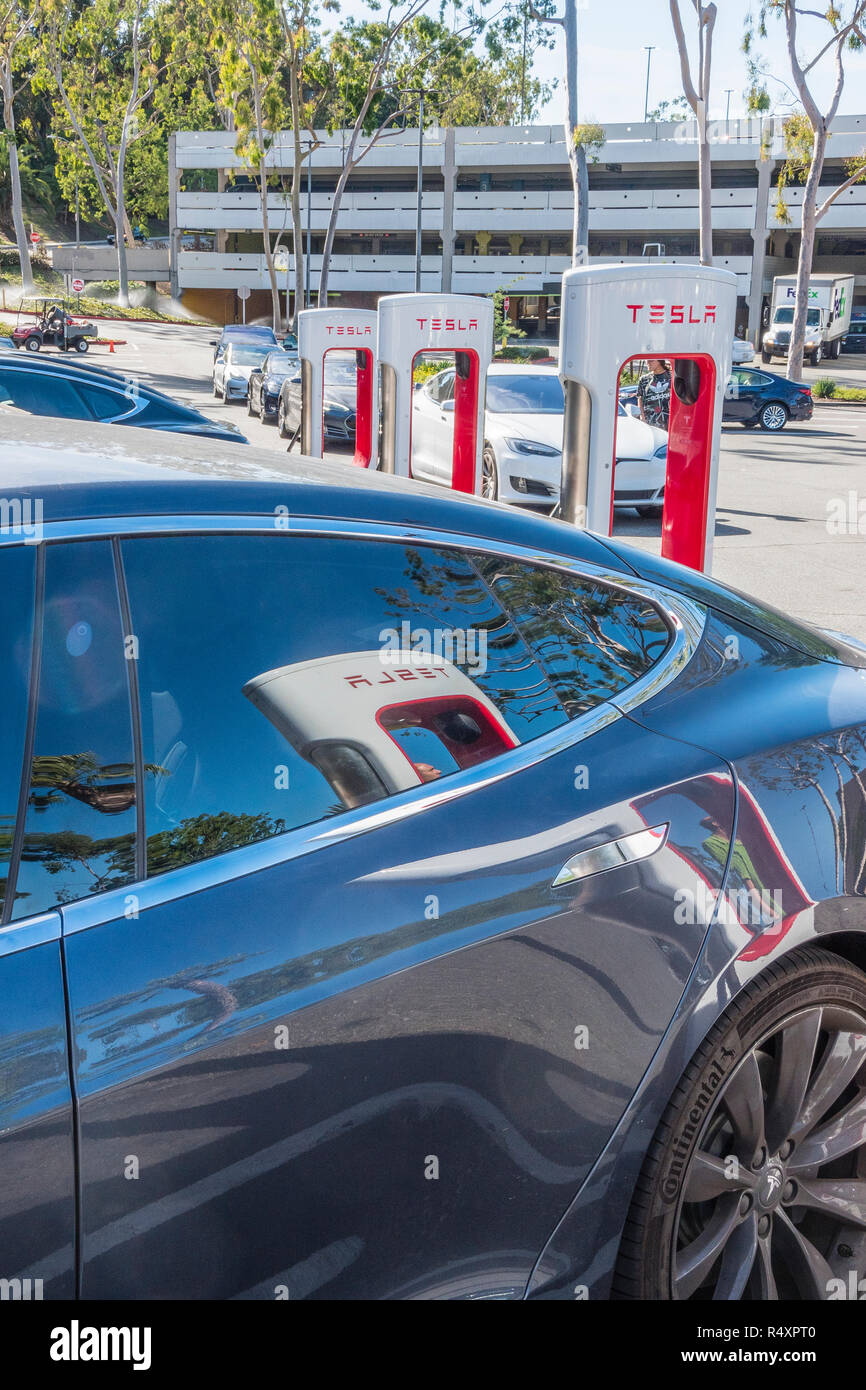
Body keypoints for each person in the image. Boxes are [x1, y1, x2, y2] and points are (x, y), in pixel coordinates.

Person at [637, 358, 672, 429]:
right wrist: (642, 416)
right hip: (651, 423)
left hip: (670, 422)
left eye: (651, 360)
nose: (647, 363)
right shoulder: (644, 379)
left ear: (660, 361)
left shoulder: (672, 377)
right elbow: (640, 398)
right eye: (646, 360)